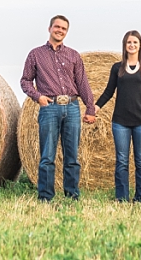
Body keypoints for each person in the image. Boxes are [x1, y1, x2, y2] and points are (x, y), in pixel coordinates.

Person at [19, 14, 96, 201]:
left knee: (72, 157)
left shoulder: (73, 55)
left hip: (72, 107)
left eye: (63, 29)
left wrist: (90, 108)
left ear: (66, 32)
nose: (60, 30)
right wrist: (38, 97)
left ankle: (72, 196)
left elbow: (82, 83)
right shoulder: (36, 54)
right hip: (50, 108)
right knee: (47, 156)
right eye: (57, 27)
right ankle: (46, 197)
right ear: (50, 28)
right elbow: (25, 81)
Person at [95, 29, 141, 203]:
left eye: (135, 42)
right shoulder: (117, 68)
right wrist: (96, 107)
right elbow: (109, 91)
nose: (132, 45)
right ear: (124, 45)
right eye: (129, 42)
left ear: (140, 45)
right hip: (120, 121)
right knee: (122, 161)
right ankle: (122, 197)